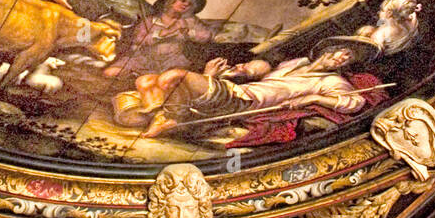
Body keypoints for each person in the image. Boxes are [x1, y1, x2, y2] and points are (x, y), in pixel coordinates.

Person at [114, 35, 383, 142]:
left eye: (347, 58)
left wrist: (314, 97)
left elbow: (354, 104)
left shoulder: (333, 82)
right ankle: (161, 113)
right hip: (238, 91)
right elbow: (255, 75)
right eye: (339, 53)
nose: (340, 58)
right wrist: (211, 76)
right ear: (327, 50)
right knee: (144, 82)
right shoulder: (296, 63)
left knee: (174, 76)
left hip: (246, 101)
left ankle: (161, 112)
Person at [104, 0, 213, 78]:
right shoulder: (151, 20)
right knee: (110, 73)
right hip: (143, 59)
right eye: (183, 0)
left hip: (172, 62)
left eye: (189, 4)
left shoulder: (190, 22)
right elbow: (139, 39)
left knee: (169, 79)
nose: (185, 5)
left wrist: (187, 32)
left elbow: (206, 36)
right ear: (172, 1)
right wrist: (166, 32)